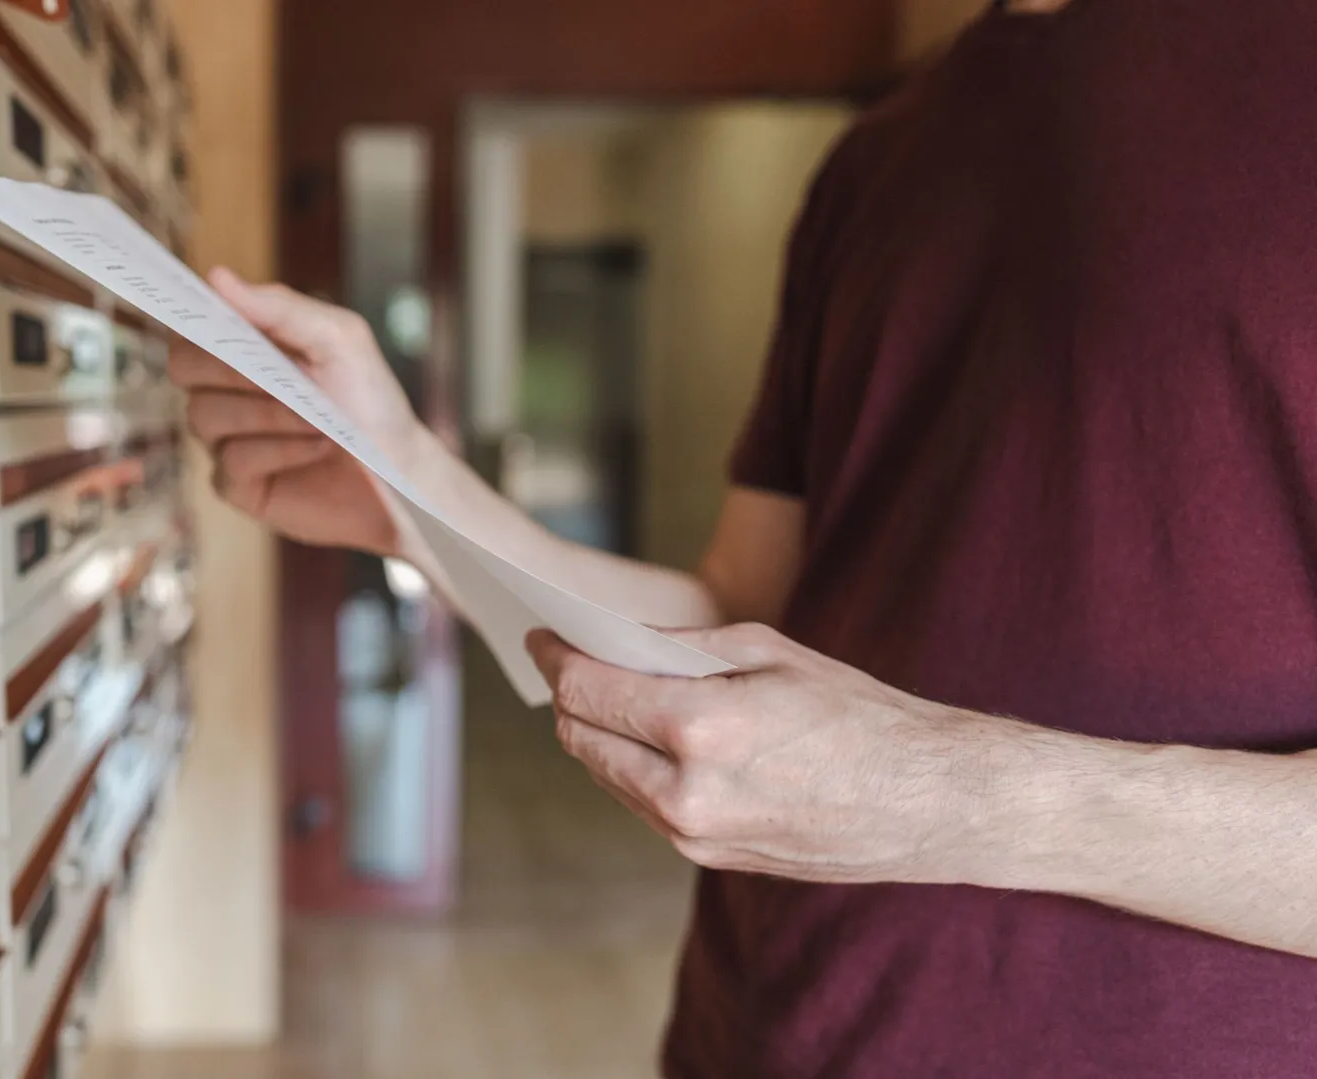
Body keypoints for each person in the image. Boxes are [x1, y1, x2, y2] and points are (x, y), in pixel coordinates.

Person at [169, 0, 1317, 1073]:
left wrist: (945, 793)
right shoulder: (881, 158)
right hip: (766, 1023)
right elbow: (741, 616)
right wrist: (411, 493)